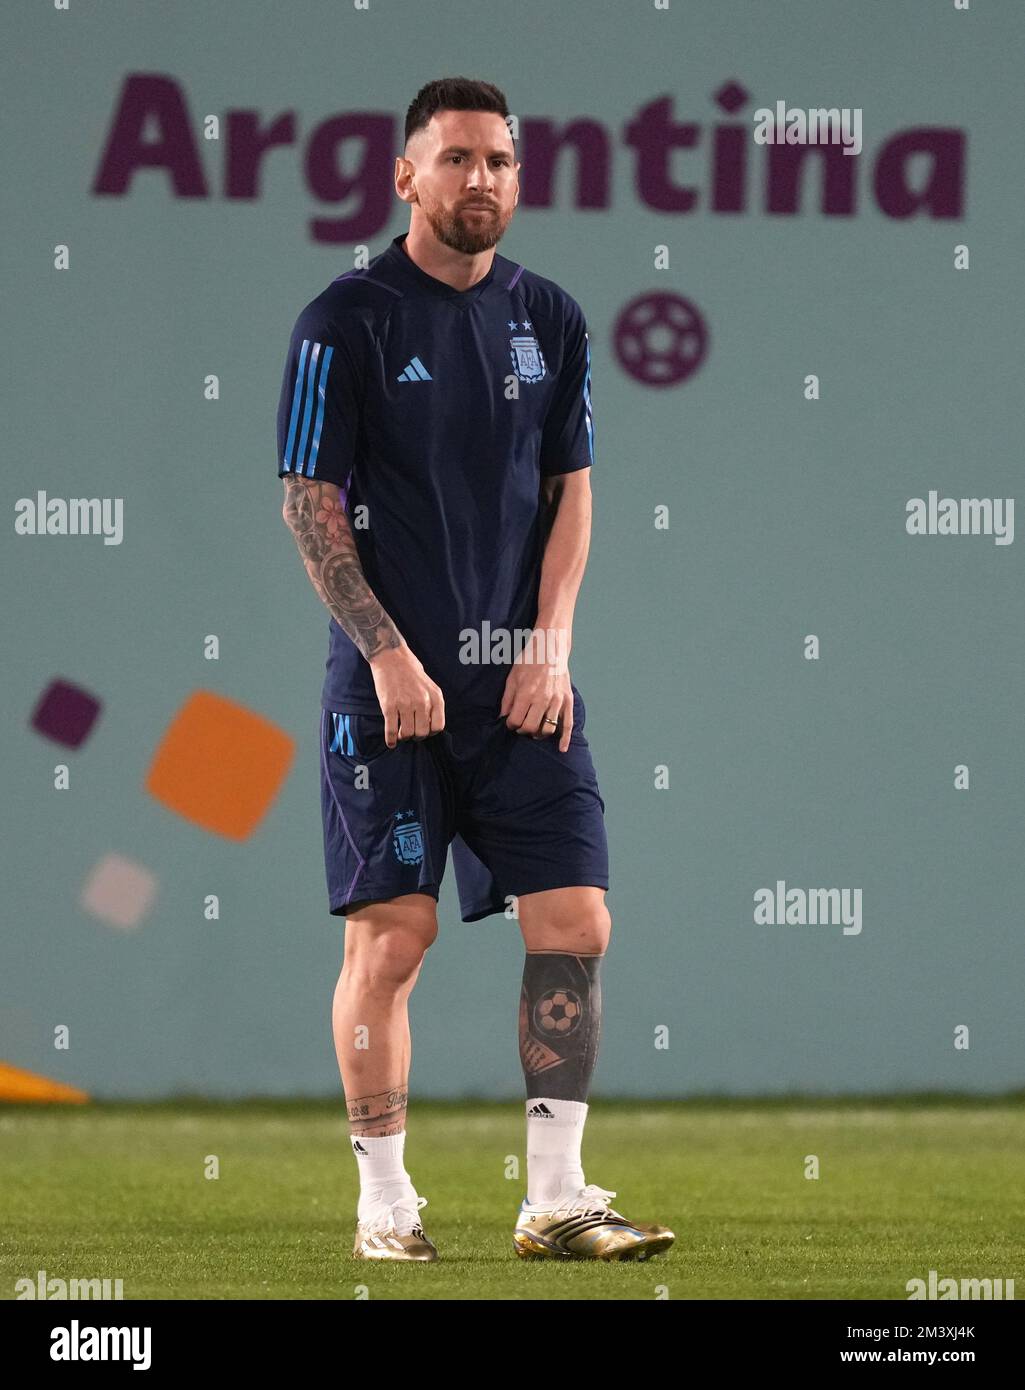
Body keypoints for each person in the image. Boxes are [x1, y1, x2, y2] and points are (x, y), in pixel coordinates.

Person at [277, 75, 673, 1263]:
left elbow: (572, 495)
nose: (479, 180)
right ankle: (385, 1206)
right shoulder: (341, 319)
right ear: (404, 175)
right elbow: (308, 503)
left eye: (497, 160)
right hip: (390, 692)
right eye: (454, 159)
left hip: (521, 690)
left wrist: (549, 644)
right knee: (392, 941)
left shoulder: (548, 316)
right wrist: (386, 654)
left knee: (575, 921)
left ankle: (554, 1197)